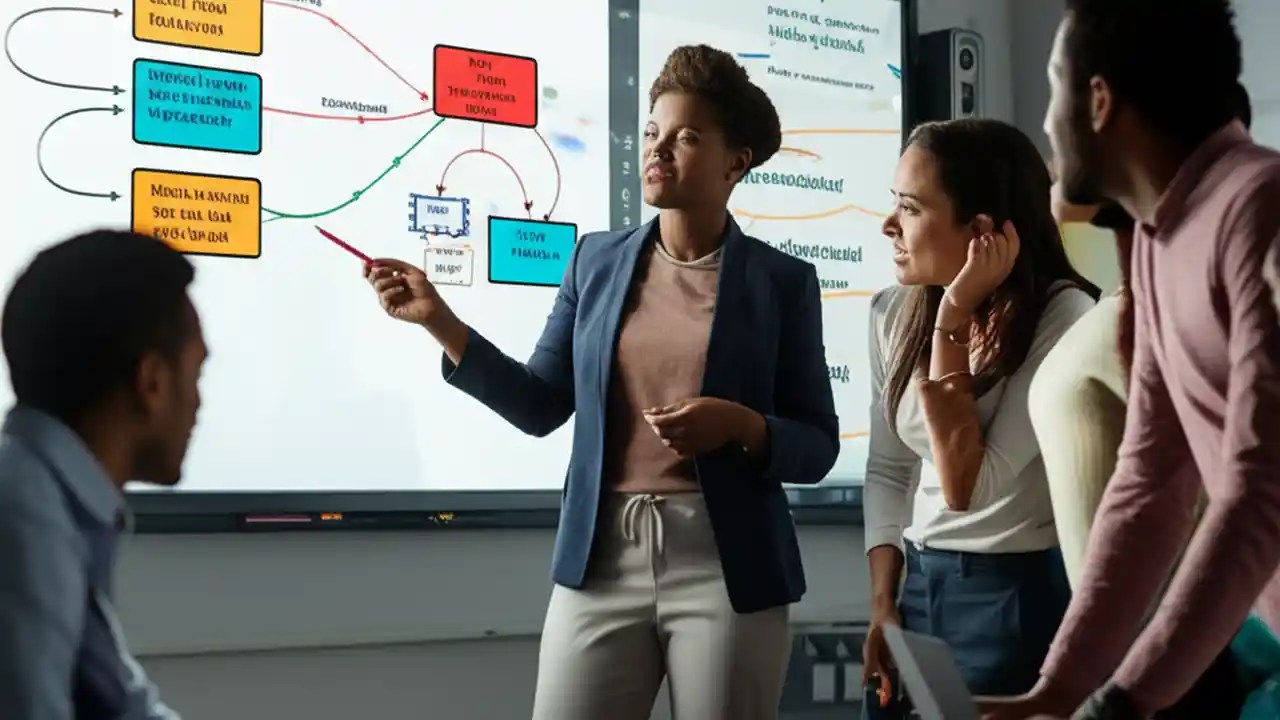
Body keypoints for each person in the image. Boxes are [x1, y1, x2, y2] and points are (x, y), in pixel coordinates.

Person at [365, 44, 838, 720]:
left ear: (735, 163)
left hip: (726, 565)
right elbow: (539, 405)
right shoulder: (594, 260)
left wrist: (740, 426)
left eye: (686, 137)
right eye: (652, 131)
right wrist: (439, 320)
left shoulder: (782, 283)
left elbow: (817, 445)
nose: (658, 149)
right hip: (601, 558)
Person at [980, 1, 1280, 718]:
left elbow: (1264, 486)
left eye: (1053, 89)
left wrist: (1121, 703)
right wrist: (1059, 689)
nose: (1046, 125)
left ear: (1098, 100)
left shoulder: (1261, 207)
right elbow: (1149, 480)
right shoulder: (1151, 239)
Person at [860, 117, 1100, 718]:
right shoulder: (891, 311)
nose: (888, 224)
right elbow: (889, 469)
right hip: (914, 586)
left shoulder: (1063, 315)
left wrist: (954, 316)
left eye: (910, 208)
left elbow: (972, 485)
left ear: (981, 233)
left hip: (1008, 596)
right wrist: (883, 604)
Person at [0, 230, 204, 718]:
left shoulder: (48, 499)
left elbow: (121, 703)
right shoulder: (24, 519)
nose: (199, 403)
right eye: (196, 374)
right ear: (152, 382)